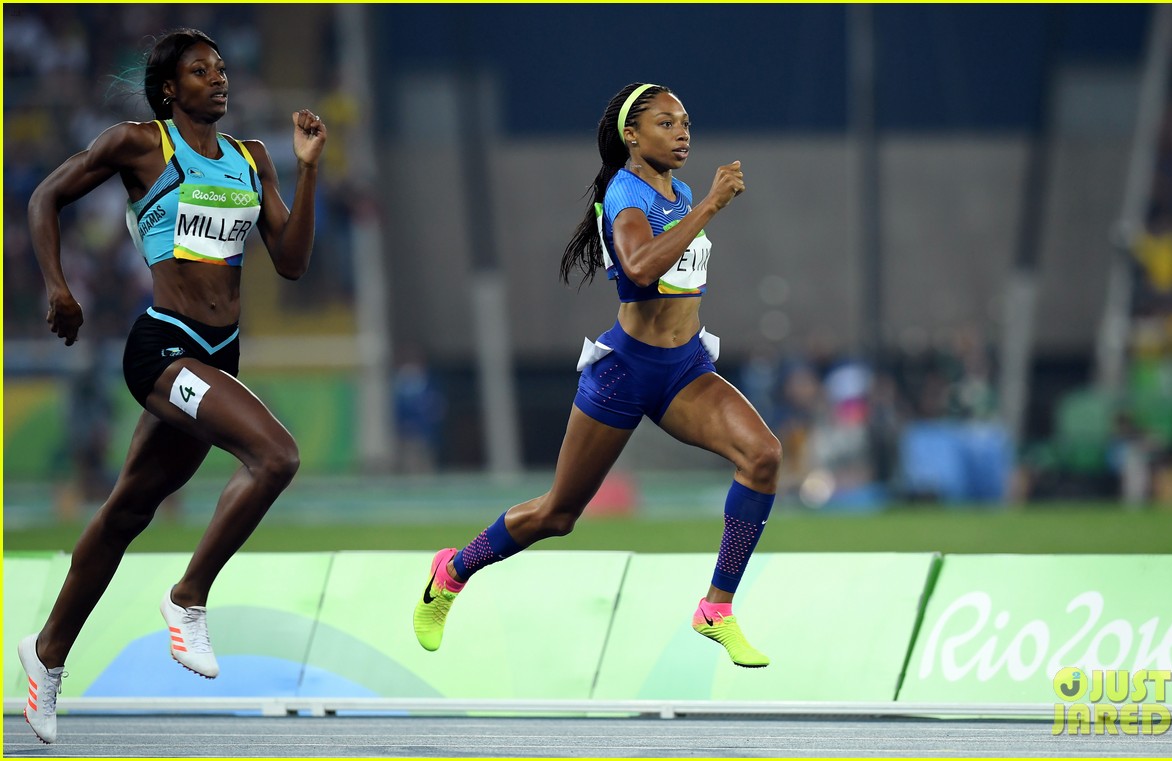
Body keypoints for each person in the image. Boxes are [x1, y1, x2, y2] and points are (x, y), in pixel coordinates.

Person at [18, 28, 326, 744]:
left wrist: (308, 169)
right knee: (276, 456)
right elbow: (43, 197)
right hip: (162, 349)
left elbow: (293, 262)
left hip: (219, 357)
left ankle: (48, 651)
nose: (218, 79)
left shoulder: (253, 160)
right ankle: (188, 597)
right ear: (168, 90)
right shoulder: (139, 144)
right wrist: (59, 287)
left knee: (127, 509)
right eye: (199, 70)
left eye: (221, 69)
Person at [413, 83, 781, 668]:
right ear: (631, 135)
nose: (682, 132)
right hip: (626, 372)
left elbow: (679, 273)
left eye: (685, 121)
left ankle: (716, 608)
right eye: (666, 123)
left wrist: (699, 204)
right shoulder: (625, 193)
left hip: (685, 368)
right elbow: (637, 268)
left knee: (762, 456)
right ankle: (452, 572)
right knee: (558, 514)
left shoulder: (678, 190)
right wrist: (711, 206)